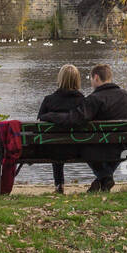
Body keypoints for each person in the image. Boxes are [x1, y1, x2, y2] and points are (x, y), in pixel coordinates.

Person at [66, 63, 127, 192]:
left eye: (91, 79)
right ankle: (104, 179)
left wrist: (51, 116)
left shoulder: (94, 99)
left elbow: (76, 119)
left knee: (82, 146)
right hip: (126, 147)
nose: (92, 82)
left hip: (100, 148)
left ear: (96, 77)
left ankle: (104, 177)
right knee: (109, 147)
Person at [37, 64, 86, 194]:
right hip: (78, 148)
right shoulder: (83, 101)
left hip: (51, 149)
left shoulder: (49, 100)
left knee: (56, 142)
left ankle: (59, 184)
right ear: (77, 80)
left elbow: (38, 123)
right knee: (62, 141)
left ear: (60, 79)